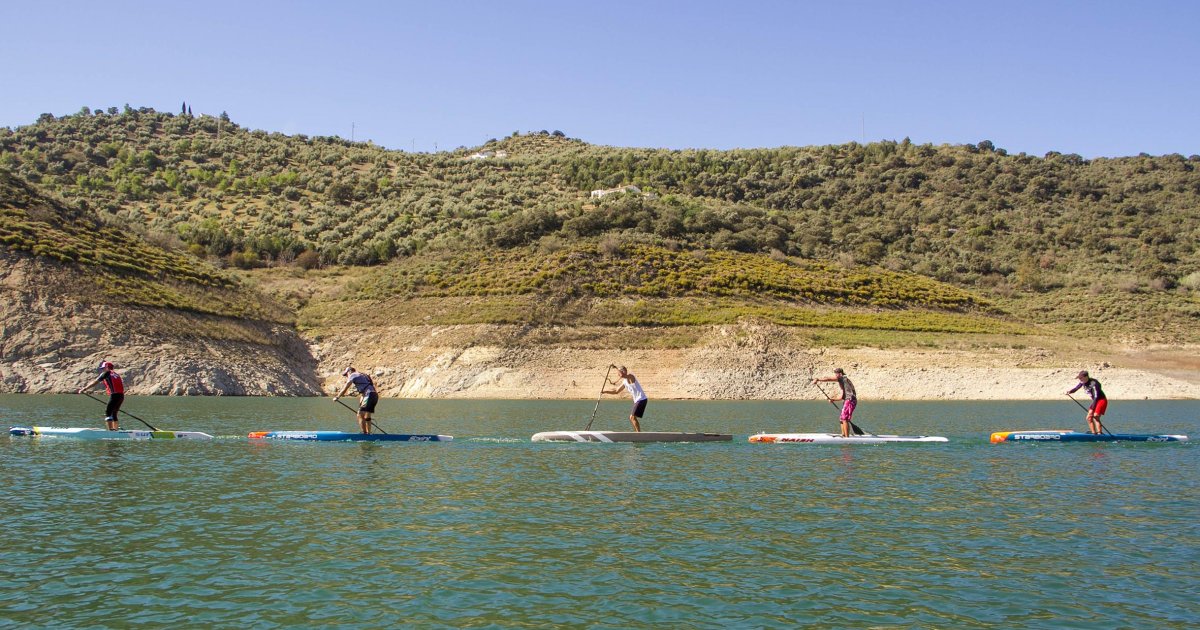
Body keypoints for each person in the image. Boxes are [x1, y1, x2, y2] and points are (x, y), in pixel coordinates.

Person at [79, 360, 125, 431]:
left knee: (108, 412)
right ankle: (115, 430)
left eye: (103, 368)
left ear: (107, 367)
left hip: (114, 395)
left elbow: (95, 382)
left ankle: (110, 431)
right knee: (114, 413)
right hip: (121, 396)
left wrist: (84, 389)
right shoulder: (116, 374)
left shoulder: (106, 373)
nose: (102, 370)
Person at [813, 368, 857, 438]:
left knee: (844, 418)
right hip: (847, 400)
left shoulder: (843, 378)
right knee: (842, 418)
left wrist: (818, 379)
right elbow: (842, 397)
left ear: (840, 374)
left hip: (850, 400)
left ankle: (846, 437)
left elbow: (828, 379)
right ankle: (843, 435)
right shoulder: (844, 383)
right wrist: (833, 399)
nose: (835, 376)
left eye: (836, 374)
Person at [334, 366, 379, 434]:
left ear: (349, 371)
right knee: (367, 415)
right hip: (374, 395)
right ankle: (369, 434)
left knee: (360, 414)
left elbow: (346, 387)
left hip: (369, 395)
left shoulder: (353, 374)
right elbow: (369, 387)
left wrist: (337, 397)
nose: (346, 376)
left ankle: (364, 434)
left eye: (346, 374)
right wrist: (362, 401)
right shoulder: (364, 375)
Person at [603, 365, 647, 432]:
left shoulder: (631, 376)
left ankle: (638, 434)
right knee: (632, 417)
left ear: (624, 372)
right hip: (638, 400)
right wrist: (605, 392)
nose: (618, 375)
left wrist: (616, 368)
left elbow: (625, 375)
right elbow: (616, 391)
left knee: (632, 417)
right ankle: (638, 433)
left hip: (641, 399)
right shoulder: (624, 382)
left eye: (619, 373)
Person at [1067, 370, 1107, 435]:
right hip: (1094, 401)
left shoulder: (1094, 383)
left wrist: (1092, 409)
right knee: (1089, 418)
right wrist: (1070, 391)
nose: (1080, 379)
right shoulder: (1083, 382)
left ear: (1086, 377)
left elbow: (1096, 396)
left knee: (1096, 416)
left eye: (1081, 378)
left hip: (1101, 400)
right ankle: (1093, 433)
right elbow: (1077, 388)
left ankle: (1099, 433)